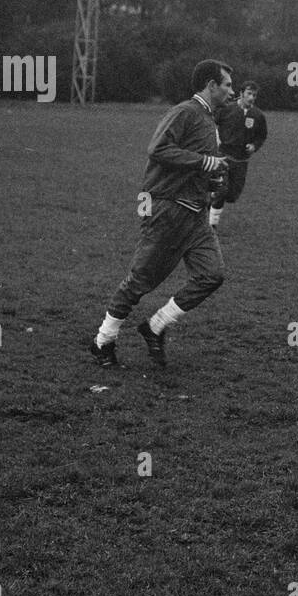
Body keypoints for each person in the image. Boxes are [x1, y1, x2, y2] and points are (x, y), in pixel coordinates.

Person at [90, 60, 236, 368]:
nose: (231, 91)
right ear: (211, 85)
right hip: (167, 209)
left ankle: (155, 325)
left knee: (212, 275)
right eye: (227, 85)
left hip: (195, 215)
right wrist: (206, 163)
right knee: (141, 280)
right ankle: (103, 340)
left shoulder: (209, 118)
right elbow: (158, 149)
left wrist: (213, 179)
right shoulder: (185, 112)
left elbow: (195, 163)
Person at [208, 80, 267, 227]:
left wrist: (254, 145)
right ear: (241, 93)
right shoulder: (226, 109)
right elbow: (211, 123)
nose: (252, 98)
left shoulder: (258, 115)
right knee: (222, 190)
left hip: (241, 161)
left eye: (254, 95)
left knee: (232, 195)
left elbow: (262, 135)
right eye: (249, 94)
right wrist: (216, 139)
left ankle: (210, 200)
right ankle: (211, 224)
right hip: (223, 156)